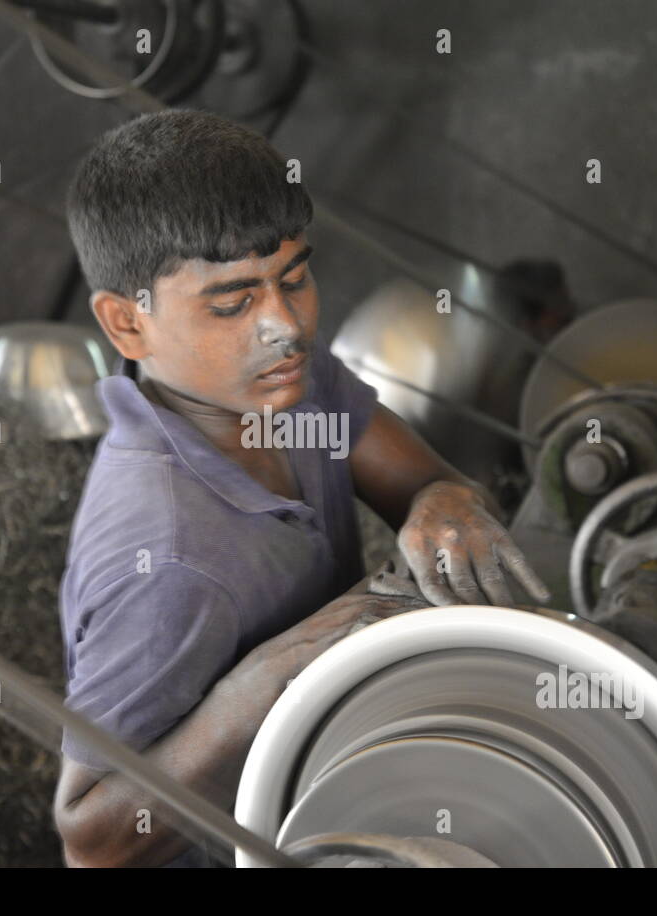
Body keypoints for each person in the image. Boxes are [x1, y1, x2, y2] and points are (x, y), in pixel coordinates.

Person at [52, 109, 547, 867]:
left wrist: (444, 504)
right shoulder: (168, 560)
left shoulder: (285, 385)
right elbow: (91, 838)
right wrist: (265, 682)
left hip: (344, 774)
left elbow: (426, 480)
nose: (285, 323)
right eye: (232, 302)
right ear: (127, 325)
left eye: (295, 278)